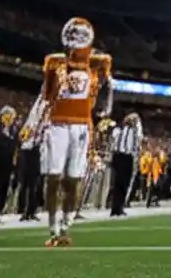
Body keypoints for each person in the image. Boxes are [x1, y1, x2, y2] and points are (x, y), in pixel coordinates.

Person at [23, 17, 112, 247]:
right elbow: (46, 95)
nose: (76, 42)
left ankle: (66, 224)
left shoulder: (97, 63)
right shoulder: (54, 63)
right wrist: (32, 124)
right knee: (53, 177)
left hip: (81, 125)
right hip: (58, 123)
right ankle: (52, 227)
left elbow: (106, 67)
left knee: (72, 179)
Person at [109, 112, 142, 217]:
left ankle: (120, 207)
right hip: (119, 156)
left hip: (128, 157)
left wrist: (137, 123)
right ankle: (115, 208)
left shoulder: (135, 131)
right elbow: (112, 142)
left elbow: (139, 139)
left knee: (125, 183)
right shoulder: (118, 129)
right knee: (118, 183)